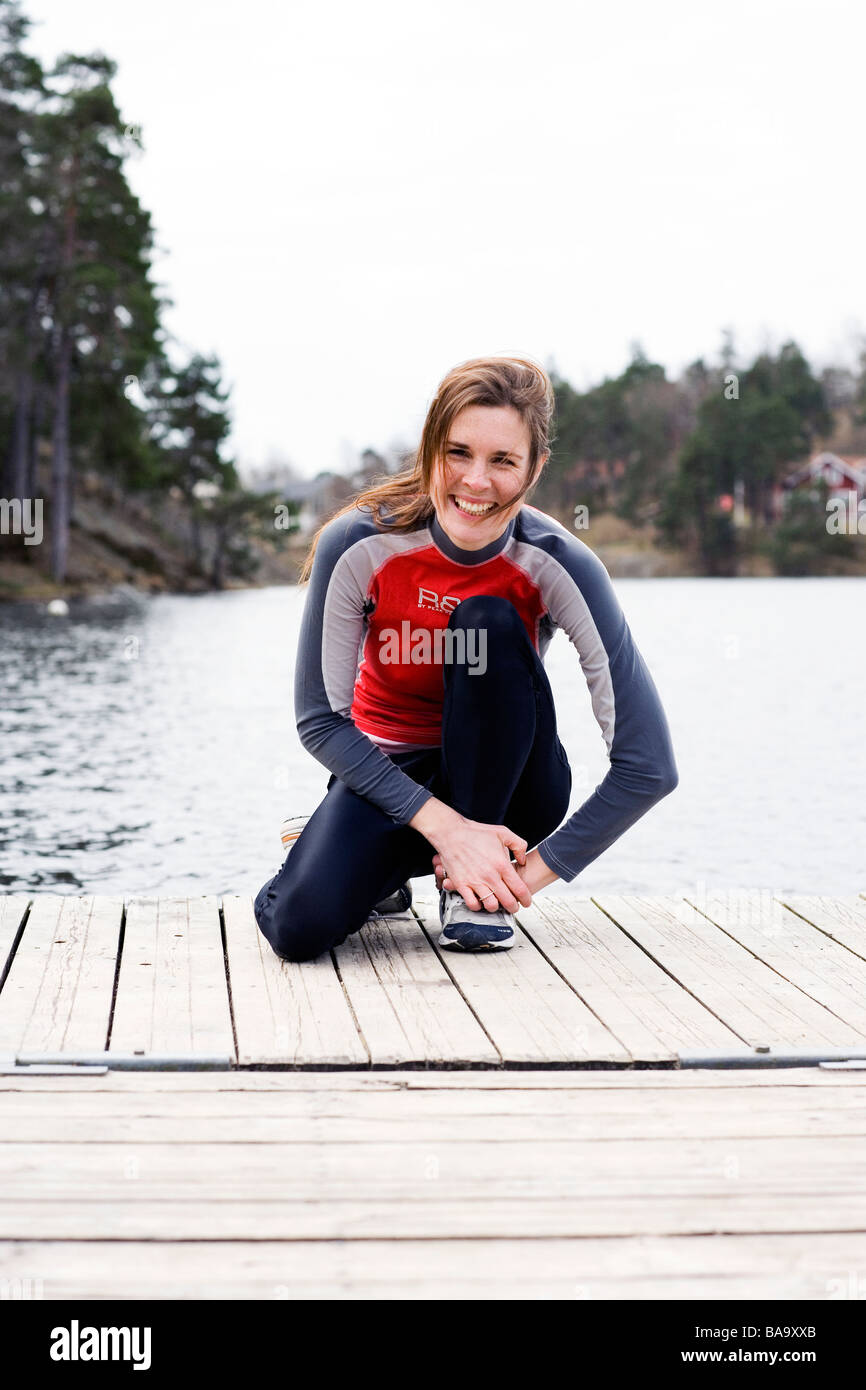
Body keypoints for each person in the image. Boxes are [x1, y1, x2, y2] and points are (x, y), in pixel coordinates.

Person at [253, 355, 678, 961]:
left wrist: (521, 879)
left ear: (534, 468)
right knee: (297, 931)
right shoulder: (357, 543)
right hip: (387, 779)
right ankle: (377, 868)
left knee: (486, 621)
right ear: (430, 450)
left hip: (512, 791)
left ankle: (467, 896)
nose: (476, 482)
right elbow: (320, 721)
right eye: (458, 453)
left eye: (503, 460)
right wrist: (449, 833)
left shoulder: (560, 564)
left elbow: (649, 767)